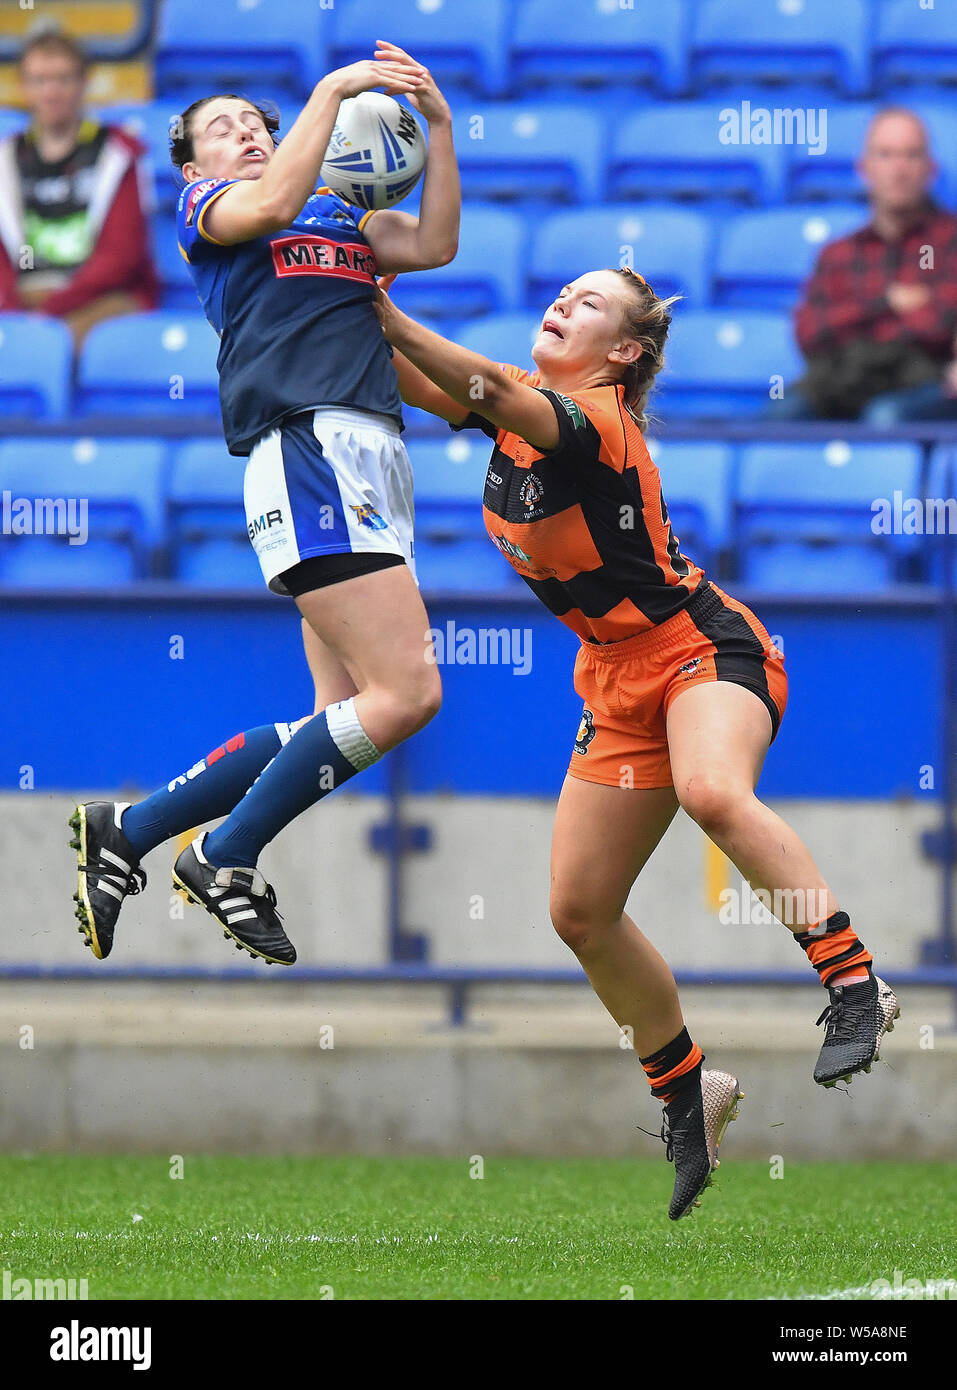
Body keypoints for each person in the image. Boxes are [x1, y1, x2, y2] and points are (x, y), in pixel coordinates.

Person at [373, 264, 900, 1220]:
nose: (560, 304)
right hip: (616, 679)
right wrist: (307, 290)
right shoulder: (516, 408)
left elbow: (475, 382)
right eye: (560, 293)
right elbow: (406, 377)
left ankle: (854, 981)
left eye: (588, 303)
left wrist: (381, 305)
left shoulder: (593, 416)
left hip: (699, 647)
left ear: (624, 353)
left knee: (710, 791)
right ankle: (688, 1088)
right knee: (579, 912)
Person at [69, 43, 460, 968]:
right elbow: (274, 202)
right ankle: (222, 854)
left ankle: (130, 830)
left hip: (370, 459)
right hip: (308, 449)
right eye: (222, 128)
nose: (243, 131)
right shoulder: (210, 212)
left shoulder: (342, 214)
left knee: (337, 711)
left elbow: (439, 242)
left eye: (255, 122)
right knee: (409, 695)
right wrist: (331, 88)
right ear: (193, 165)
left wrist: (438, 128)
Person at [778, 107, 957, 423]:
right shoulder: (838, 253)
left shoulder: (949, 242)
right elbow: (810, 335)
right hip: (843, 380)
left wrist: (856, 321)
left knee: (884, 417)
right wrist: (887, 303)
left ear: (931, 169)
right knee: (783, 412)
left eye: (911, 155)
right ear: (865, 168)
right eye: (886, 155)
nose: (899, 169)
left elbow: (942, 325)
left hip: (923, 384)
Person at [0, 26, 159, 349]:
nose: (51, 91)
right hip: (23, 301)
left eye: (63, 78)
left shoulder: (118, 153)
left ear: (84, 82)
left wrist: (48, 312)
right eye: (39, 80)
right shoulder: (6, 158)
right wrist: (16, 311)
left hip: (102, 301)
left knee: (48, 349)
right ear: (23, 86)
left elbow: (121, 258)